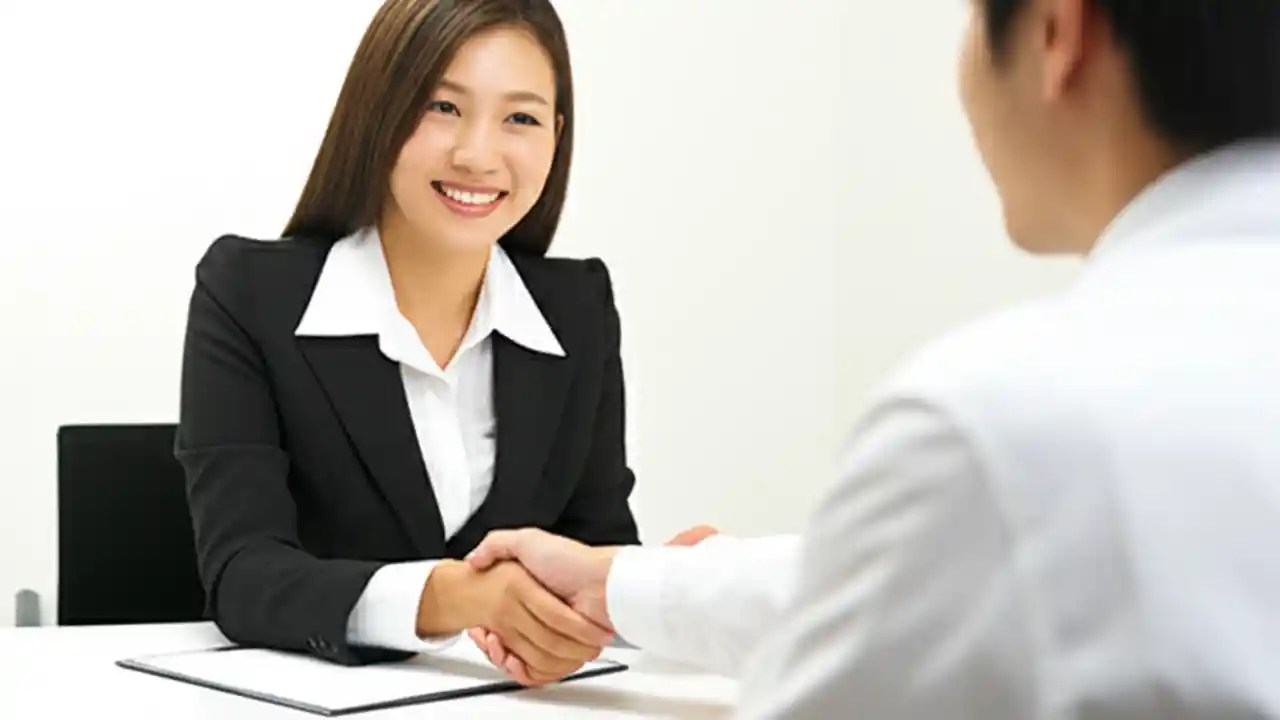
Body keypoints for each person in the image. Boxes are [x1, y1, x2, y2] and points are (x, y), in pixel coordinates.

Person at [466, 0, 1280, 715]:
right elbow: (941, 590)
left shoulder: (997, 425)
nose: (478, 153)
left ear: (1057, 32)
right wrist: (626, 584)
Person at [175, 0, 638, 685]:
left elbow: (598, 541)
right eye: (441, 107)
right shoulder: (249, 294)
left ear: (555, 136)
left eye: (521, 117)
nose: (478, 154)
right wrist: (457, 596)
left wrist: (663, 587)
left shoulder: (577, 309)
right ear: (378, 110)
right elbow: (243, 576)